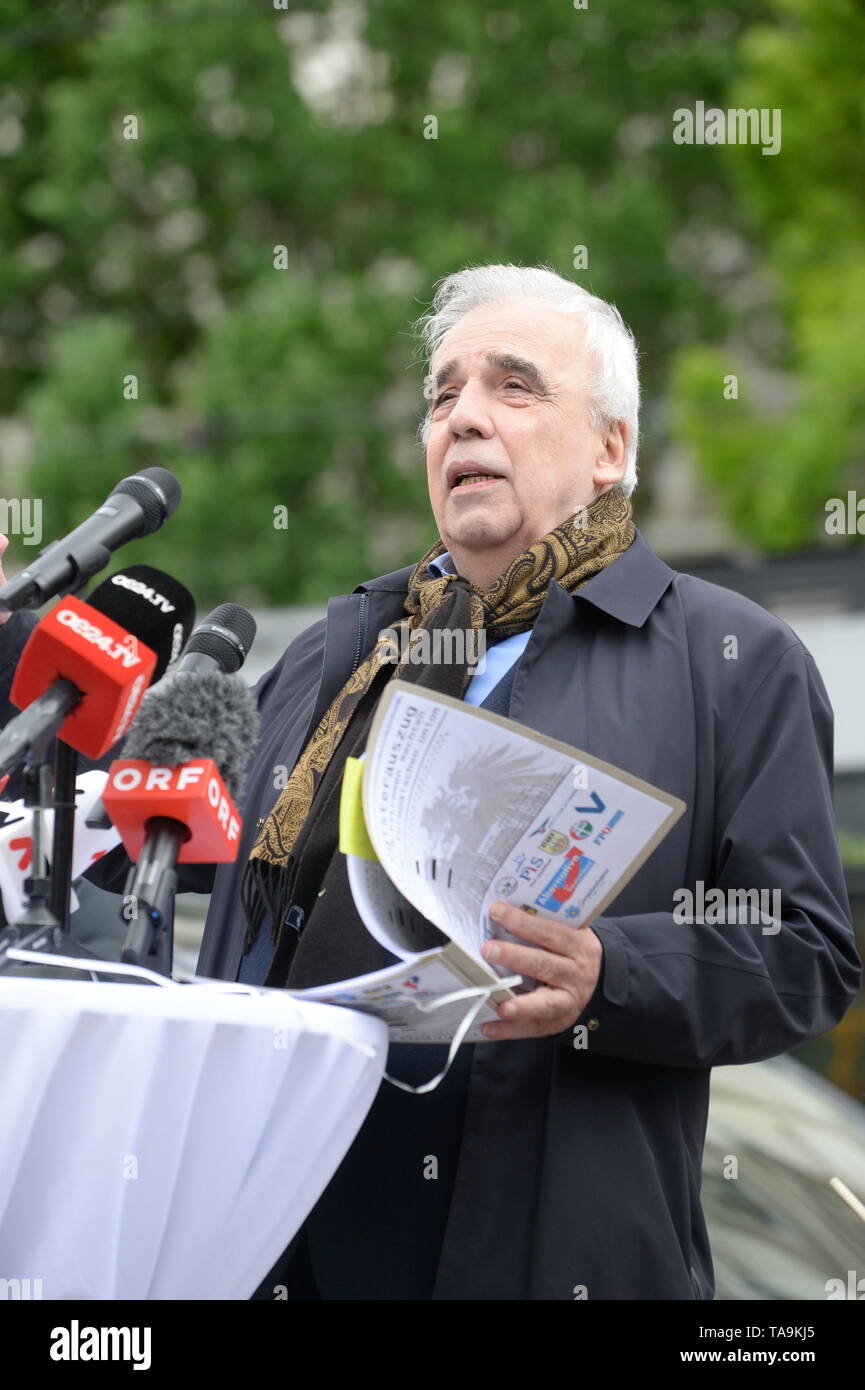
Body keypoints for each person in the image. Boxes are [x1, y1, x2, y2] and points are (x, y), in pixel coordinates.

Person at [1, 264, 860, 1301]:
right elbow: (165, 831)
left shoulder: (729, 659)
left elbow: (804, 952)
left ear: (610, 449)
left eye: (512, 387)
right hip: (269, 1230)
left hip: (538, 1254)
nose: (463, 419)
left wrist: (609, 972)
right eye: (442, 395)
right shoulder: (338, 650)